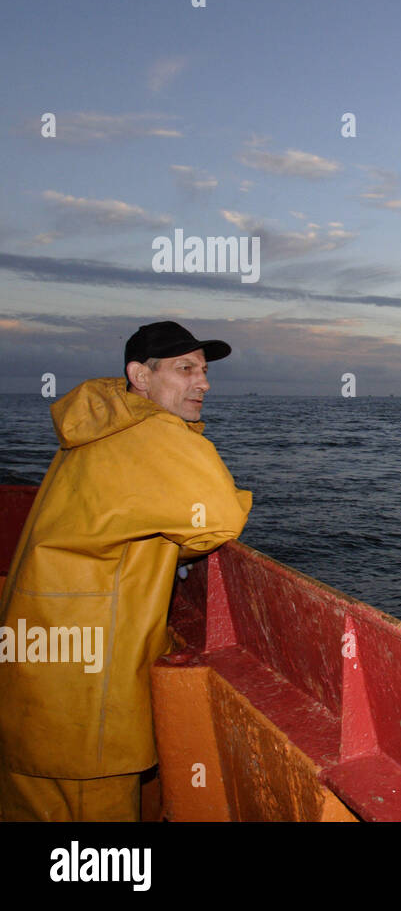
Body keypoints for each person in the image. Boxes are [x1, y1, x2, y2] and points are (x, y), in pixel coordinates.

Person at [0, 321, 252, 821]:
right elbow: (220, 518)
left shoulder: (98, 425)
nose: (204, 383)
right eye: (186, 369)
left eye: (203, 371)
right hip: (87, 699)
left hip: (34, 679)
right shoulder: (149, 431)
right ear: (140, 375)